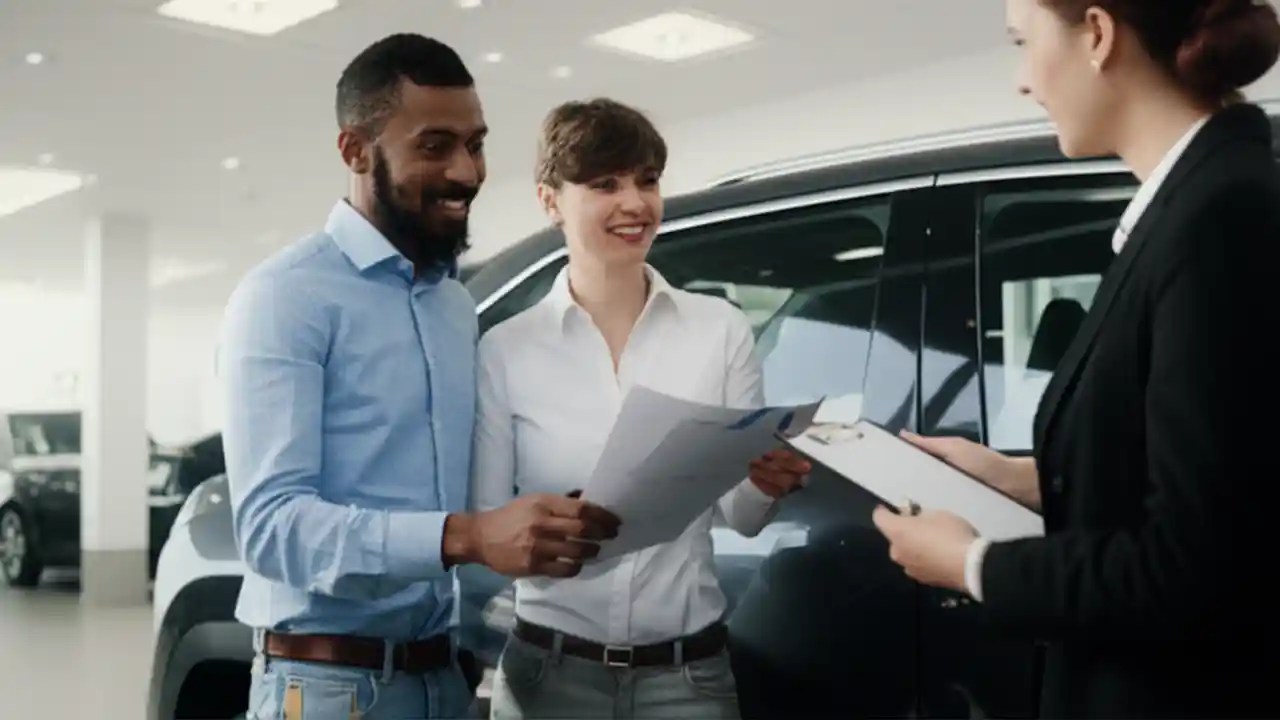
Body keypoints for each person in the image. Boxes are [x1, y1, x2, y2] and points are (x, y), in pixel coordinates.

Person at [872, 0, 1280, 717]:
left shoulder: (1219, 219)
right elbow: (1207, 477)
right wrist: (1019, 478)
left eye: (1023, 42)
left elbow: (1198, 568)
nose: (1023, 80)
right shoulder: (1194, 206)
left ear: (1098, 34)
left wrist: (974, 564)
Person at [220, 35, 620, 720]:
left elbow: (462, 496)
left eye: (476, 145)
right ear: (355, 150)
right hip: (328, 690)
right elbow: (271, 529)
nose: (466, 172)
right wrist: (466, 537)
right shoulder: (286, 296)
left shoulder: (452, 306)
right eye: (435, 147)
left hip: (443, 680)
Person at [470, 98, 813, 719]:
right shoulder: (505, 351)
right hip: (549, 675)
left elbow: (743, 517)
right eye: (606, 184)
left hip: (687, 678)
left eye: (647, 181)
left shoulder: (719, 330)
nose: (635, 203)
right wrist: (551, 528)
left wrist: (766, 482)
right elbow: (489, 529)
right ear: (550, 200)